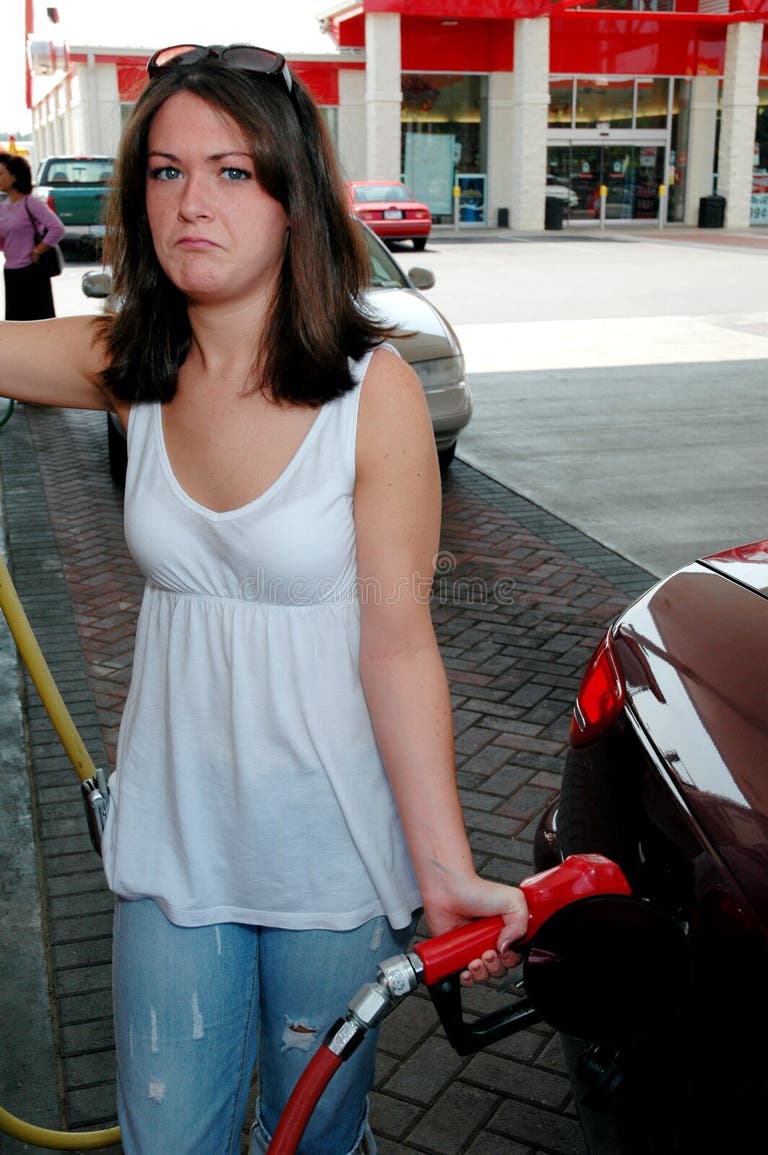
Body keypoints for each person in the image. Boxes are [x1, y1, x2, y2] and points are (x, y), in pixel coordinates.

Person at [0, 44, 528, 1154]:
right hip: (171, 833)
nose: (193, 201)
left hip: (327, 851)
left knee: (314, 1138)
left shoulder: (367, 395)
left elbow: (396, 643)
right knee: (170, 1136)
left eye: (234, 172)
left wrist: (442, 870)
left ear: (293, 199)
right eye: (167, 170)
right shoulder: (127, 361)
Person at [0, 152, 65, 320]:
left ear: (14, 177)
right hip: (11, 272)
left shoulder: (31, 203)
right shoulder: (3, 207)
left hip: (32, 272)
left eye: (1, 173)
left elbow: (57, 228)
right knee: (16, 322)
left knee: (38, 321)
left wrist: (37, 251)